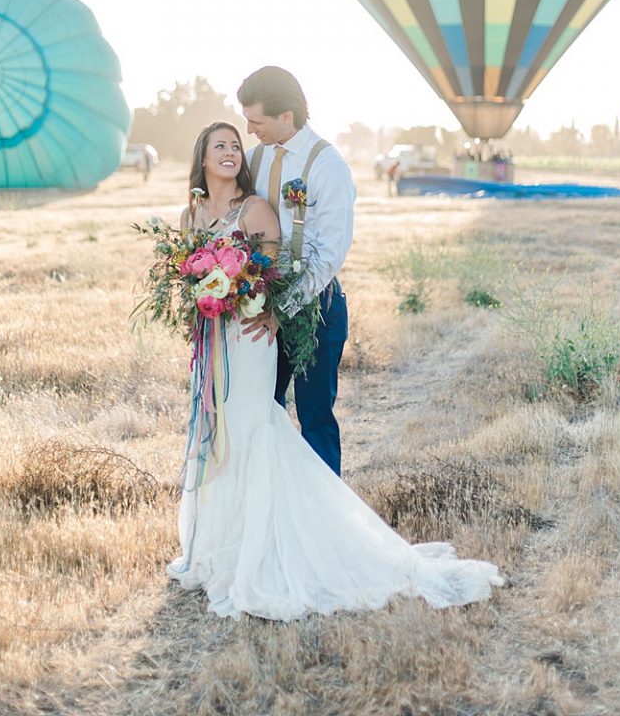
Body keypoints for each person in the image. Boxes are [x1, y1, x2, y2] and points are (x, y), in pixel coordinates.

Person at [167, 120, 504, 621]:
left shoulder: (296, 182)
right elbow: (184, 271)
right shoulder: (204, 203)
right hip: (216, 337)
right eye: (224, 143)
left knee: (283, 421)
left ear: (279, 113)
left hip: (260, 329)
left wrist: (263, 304)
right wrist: (201, 300)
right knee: (222, 428)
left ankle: (313, 536)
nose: (239, 146)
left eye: (242, 136)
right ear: (202, 155)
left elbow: (283, 268)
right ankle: (231, 538)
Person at [236, 65, 354, 476]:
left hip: (315, 307)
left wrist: (282, 309)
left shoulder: (328, 166)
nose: (249, 130)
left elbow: (329, 253)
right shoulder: (253, 158)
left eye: (256, 122)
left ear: (286, 116)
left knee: (315, 418)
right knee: (260, 410)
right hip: (259, 308)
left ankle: (322, 511)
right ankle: (270, 498)